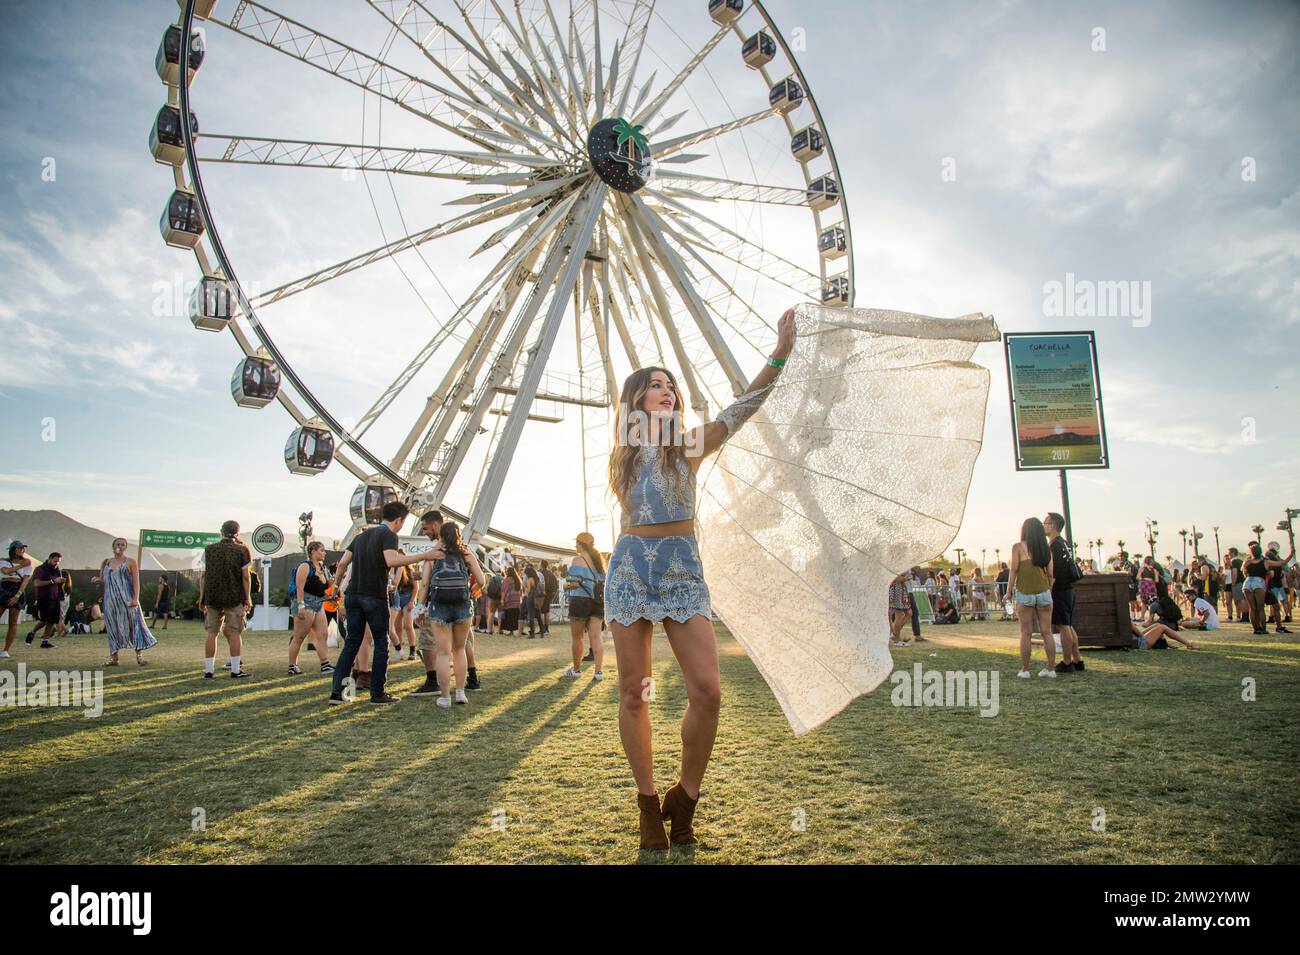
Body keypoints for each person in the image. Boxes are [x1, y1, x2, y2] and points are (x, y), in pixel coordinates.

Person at [605, 308, 793, 850]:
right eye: (654, 386)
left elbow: (743, 408)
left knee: (707, 692)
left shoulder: (688, 445)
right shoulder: (625, 452)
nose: (666, 391)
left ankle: (684, 796)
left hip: (683, 568)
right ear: (637, 400)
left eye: (671, 386)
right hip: (631, 571)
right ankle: (647, 806)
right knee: (634, 693)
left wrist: (778, 354)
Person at [328, 501, 426, 705]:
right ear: (398, 520)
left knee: (352, 643)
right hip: (374, 595)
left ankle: (338, 693)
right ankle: (378, 693)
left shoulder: (360, 536)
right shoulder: (389, 535)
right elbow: (391, 561)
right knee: (382, 642)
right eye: (402, 523)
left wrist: (337, 586)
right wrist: (424, 555)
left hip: (353, 595)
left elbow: (343, 564)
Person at [412, 521, 486, 708]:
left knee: (443, 653)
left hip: (439, 606)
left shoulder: (434, 555)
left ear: (441, 535)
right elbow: (482, 580)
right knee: (459, 650)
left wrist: (420, 608)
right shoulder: (466, 552)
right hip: (462, 604)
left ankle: (445, 697)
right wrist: (472, 590)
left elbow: (425, 585)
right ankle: (460, 692)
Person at [198, 520, 253, 679]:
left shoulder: (209, 550)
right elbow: (245, 577)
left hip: (213, 596)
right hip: (233, 596)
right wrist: (247, 597)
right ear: (237, 533)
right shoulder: (242, 550)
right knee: (235, 632)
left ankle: (209, 670)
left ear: (221, 532)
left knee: (212, 633)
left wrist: (202, 597)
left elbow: (203, 576)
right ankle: (235, 670)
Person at [1007, 517, 1055, 679]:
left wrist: (1008, 592)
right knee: (1047, 632)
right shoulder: (1046, 549)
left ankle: (1025, 670)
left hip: (1025, 593)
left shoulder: (1018, 547)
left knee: (1026, 633)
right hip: (1044, 593)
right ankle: (1050, 668)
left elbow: (1014, 570)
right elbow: (1050, 574)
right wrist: (1048, 588)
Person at [96, 537, 157, 666]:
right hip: (110, 601)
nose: (120, 546)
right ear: (113, 546)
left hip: (127, 600)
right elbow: (104, 580)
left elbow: (136, 582)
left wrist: (135, 599)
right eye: (118, 544)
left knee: (134, 626)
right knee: (112, 628)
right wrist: (98, 580)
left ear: (126, 547)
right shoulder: (106, 562)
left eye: (123, 544)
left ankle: (139, 656)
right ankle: (114, 658)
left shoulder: (130, 562)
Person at [1044, 512, 1083, 673]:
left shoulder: (1054, 545)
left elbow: (1054, 572)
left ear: (1052, 525)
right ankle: (1077, 659)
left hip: (1060, 590)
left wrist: (1048, 592)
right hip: (1068, 590)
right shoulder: (1064, 543)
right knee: (1068, 625)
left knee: (1063, 626)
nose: (1043, 526)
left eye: (1045, 523)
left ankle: (1067, 662)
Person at [563, 532, 606, 680]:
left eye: (576, 543)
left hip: (580, 601)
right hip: (597, 602)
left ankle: (576, 670)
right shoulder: (599, 562)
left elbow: (574, 583)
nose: (575, 546)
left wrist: (566, 586)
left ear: (581, 544)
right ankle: (598, 672)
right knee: (596, 637)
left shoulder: (577, 560)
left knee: (577, 637)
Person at [288, 542, 335, 675]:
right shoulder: (305, 566)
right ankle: (292, 666)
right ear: (313, 551)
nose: (324, 553)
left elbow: (325, 586)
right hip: (304, 603)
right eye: (322, 550)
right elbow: (299, 587)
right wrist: (301, 606)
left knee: (323, 634)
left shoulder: (322, 567)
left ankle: (325, 664)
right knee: (299, 636)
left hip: (318, 604)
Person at [0, 541, 34, 658]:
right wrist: (21, 565)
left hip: (17, 590)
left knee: (13, 622)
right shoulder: (4, 561)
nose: (22, 550)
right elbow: (5, 571)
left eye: (23, 548)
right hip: (3, 589)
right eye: (19, 548)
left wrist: (17, 596)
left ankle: (5, 650)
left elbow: (25, 581)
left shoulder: (28, 564)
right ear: (13, 549)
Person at [28, 552, 64, 649]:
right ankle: (32, 632)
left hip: (55, 598)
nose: (57, 563)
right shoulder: (40, 569)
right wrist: (52, 581)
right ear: (49, 559)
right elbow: (36, 583)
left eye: (58, 562)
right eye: (55, 561)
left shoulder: (57, 570)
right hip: (44, 598)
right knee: (44, 620)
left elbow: (57, 583)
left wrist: (61, 582)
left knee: (52, 621)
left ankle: (45, 641)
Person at [1264, 544, 1292, 634]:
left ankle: (1271, 618)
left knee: (1273, 604)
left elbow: (1271, 574)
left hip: (1273, 585)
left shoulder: (1271, 564)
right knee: (1283, 601)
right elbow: (1282, 574)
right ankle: (1287, 616)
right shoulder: (1279, 563)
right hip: (1280, 584)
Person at [1130, 619, 1198, 650]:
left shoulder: (1120, 616)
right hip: (1138, 643)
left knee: (1157, 625)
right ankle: (1188, 644)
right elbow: (1137, 631)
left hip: (1132, 640)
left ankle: (1164, 644)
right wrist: (1143, 637)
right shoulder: (1124, 617)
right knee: (1162, 627)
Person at [887, 573, 912, 647]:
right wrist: (908, 577)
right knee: (899, 615)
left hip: (901, 589)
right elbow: (897, 579)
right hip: (897, 590)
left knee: (909, 613)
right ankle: (897, 639)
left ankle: (895, 634)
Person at [500, 566, 522, 634]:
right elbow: (521, 590)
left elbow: (504, 590)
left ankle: (510, 631)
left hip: (509, 600)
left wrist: (502, 599)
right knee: (515, 615)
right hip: (517, 600)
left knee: (509, 615)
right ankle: (513, 630)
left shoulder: (507, 580)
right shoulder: (518, 579)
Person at [539, 560, 557, 636]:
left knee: (542, 612)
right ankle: (547, 629)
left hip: (542, 594)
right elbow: (556, 585)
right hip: (549, 595)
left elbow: (538, 584)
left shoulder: (540, 573)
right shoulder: (551, 574)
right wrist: (552, 593)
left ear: (541, 565)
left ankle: (542, 629)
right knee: (547, 611)